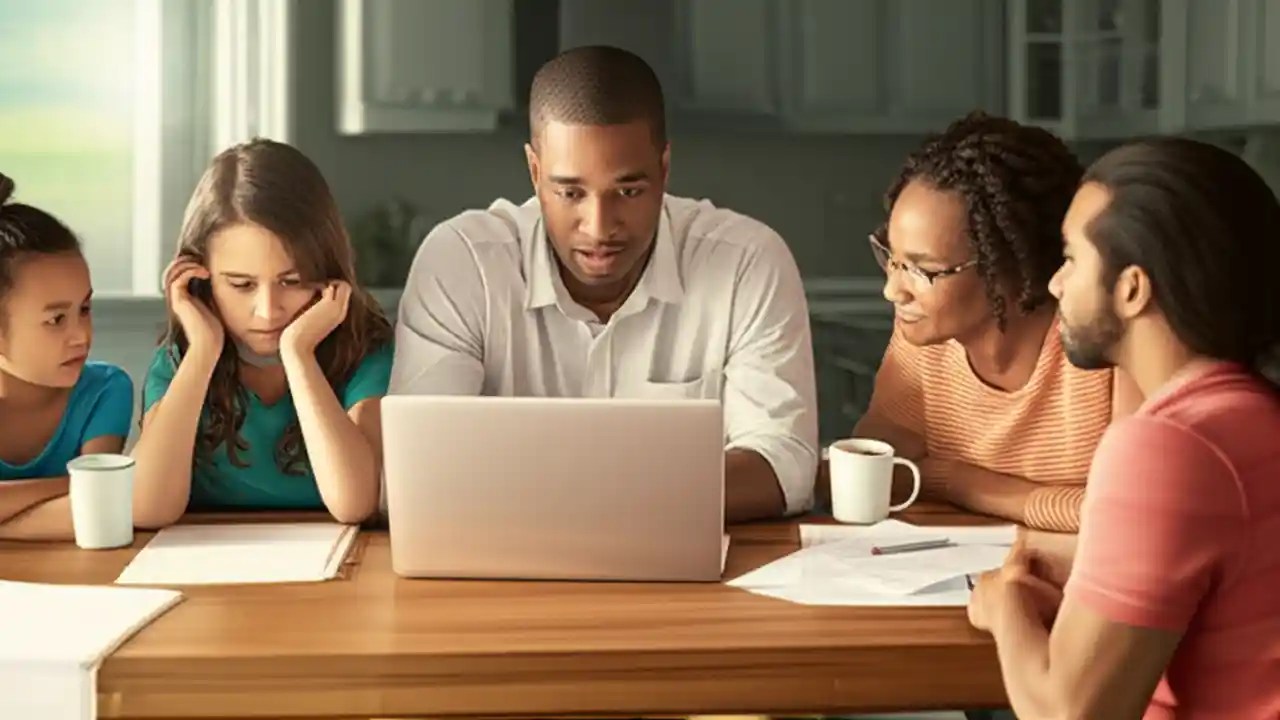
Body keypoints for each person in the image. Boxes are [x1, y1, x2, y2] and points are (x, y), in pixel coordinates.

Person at [389, 46, 818, 523]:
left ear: (665, 168)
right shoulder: (462, 262)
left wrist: (586, 499)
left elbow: (785, 462)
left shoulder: (748, 263)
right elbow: (421, 461)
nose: (599, 226)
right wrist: (628, 495)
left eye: (628, 191)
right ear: (534, 173)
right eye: (570, 192)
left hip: (684, 576)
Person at [968, 137, 1280, 718]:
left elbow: (1071, 713)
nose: (1056, 285)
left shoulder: (1168, 443)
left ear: (1131, 289)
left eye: (1071, 260)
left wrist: (1003, 604)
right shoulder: (1253, 415)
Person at [852, 112, 1140, 532]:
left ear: (1009, 267)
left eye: (923, 270)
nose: (893, 291)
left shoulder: (1105, 341)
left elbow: (1131, 514)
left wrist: (958, 480)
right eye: (891, 258)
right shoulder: (925, 340)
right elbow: (870, 471)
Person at [130, 139, 393, 528]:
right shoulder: (179, 361)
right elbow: (146, 508)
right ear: (200, 280)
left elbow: (355, 502)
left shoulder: (365, 352)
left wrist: (299, 354)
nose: (269, 311)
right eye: (241, 285)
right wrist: (202, 352)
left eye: (292, 281)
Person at [0, 173, 133, 540]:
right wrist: (71, 483)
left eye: (85, 309)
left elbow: (99, 509)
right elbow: (87, 491)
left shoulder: (106, 390)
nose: (82, 336)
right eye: (56, 319)